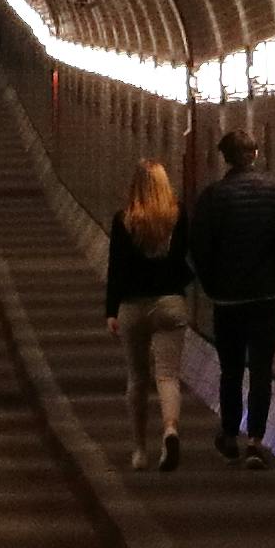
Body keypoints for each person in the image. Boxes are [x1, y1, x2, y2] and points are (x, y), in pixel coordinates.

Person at [180, 127, 275, 463]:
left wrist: (211, 283)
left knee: (230, 368)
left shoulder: (213, 197)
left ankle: (229, 433)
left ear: (225, 158)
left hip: (228, 299)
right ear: (255, 154)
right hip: (268, 296)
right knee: (261, 368)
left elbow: (197, 246)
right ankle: (256, 440)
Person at [101, 158, 197, 468]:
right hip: (170, 302)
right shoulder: (178, 216)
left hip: (132, 304)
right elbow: (188, 256)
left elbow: (115, 268)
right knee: (168, 375)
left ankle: (140, 450)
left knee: (137, 378)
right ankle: (170, 430)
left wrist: (111, 310)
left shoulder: (124, 220)